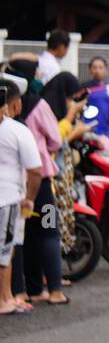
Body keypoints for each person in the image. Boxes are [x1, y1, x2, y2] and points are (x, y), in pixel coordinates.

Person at [18, 71, 75, 305]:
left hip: (17, 185)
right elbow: (55, 139)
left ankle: (33, 288)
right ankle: (55, 290)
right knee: (50, 233)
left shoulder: (11, 113)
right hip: (41, 185)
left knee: (27, 236)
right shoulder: (37, 104)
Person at [0, 77, 41, 315]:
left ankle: (7, 296)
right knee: (5, 250)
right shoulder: (17, 131)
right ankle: (4, 300)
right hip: (8, 198)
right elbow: (35, 170)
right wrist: (30, 197)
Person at [83, 56, 109, 139]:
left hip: (106, 132)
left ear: (106, 70)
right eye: (94, 68)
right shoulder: (84, 88)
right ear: (90, 70)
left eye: (101, 67)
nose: (97, 71)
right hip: (90, 132)